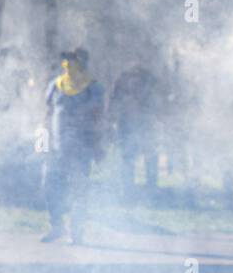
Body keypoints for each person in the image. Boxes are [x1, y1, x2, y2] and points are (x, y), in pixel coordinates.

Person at [41, 48, 105, 244]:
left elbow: (98, 118)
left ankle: (77, 231)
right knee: (49, 185)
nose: (68, 65)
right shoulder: (55, 85)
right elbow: (48, 114)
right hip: (57, 148)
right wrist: (44, 142)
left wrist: (97, 145)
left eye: (73, 61)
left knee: (79, 189)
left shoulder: (93, 88)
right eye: (67, 61)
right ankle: (57, 226)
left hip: (82, 148)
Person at [110, 62, 161, 194]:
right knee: (128, 157)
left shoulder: (150, 82)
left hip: (145, 124)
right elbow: (114, 105)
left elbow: (156, 106)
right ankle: (128, 188)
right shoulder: (122, 83)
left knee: (149, 156)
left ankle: (150, 187)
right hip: (127, 125)